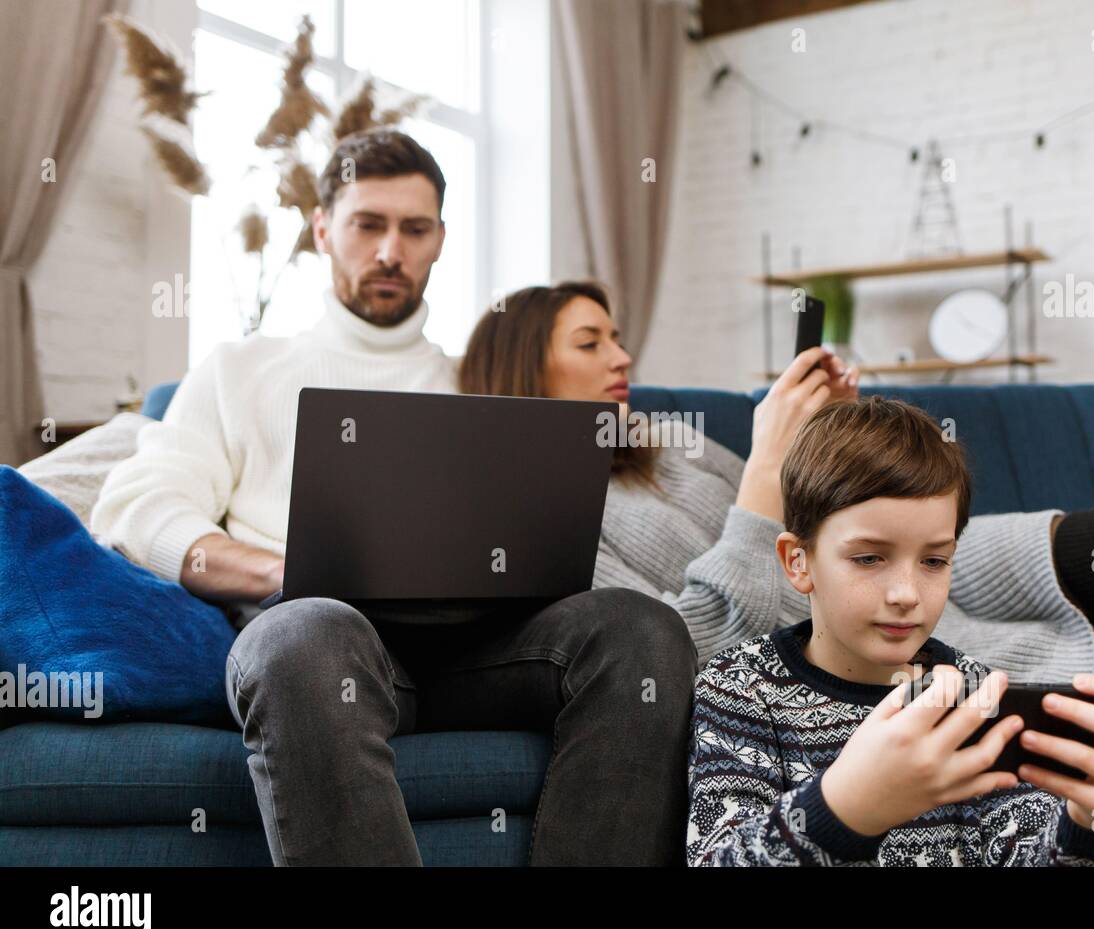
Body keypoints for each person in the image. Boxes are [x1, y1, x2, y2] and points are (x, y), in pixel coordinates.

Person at [90, 129, 696, 866]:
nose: (390, 252)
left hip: (482, 655)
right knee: (298, 635)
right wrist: (283, 571)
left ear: (440, 239)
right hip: (328, 649)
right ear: (322, 230)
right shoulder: (240, 370)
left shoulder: (479, 379)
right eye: (367, 225)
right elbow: (137, 510)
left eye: (414, 229)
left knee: (643, 629)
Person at [458, 281, 1094, 703]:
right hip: (875, 628)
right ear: (522, 362)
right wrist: (765, 472)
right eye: (591, 340)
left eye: (616, 335)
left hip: (942, 562)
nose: (621, 357)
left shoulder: (661, 441)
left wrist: (828, 441)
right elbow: (682, 652)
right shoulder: (522, 513)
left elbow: (813, 502)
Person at [687, 396, 1094, 866]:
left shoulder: (976, 697)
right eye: (869, 558)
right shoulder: (740, 688)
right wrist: (845, 810)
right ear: (798, 561)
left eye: (933, 561)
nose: (906, 593)